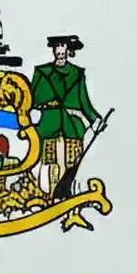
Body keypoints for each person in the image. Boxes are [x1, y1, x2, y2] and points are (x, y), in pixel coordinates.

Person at [29, 35, 102, 197]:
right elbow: (31, 99)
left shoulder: (77, 73)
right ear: (54, 50)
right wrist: (33, 115)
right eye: (58, 47)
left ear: (69, 51)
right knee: (49, 163)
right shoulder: (42, 72)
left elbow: (83, 100)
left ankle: (69, 200)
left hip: (72, 125)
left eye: (64, 47)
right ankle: (48, 197)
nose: (61, 51)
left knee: (72, 164)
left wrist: (94, 118)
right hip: (49, 123)